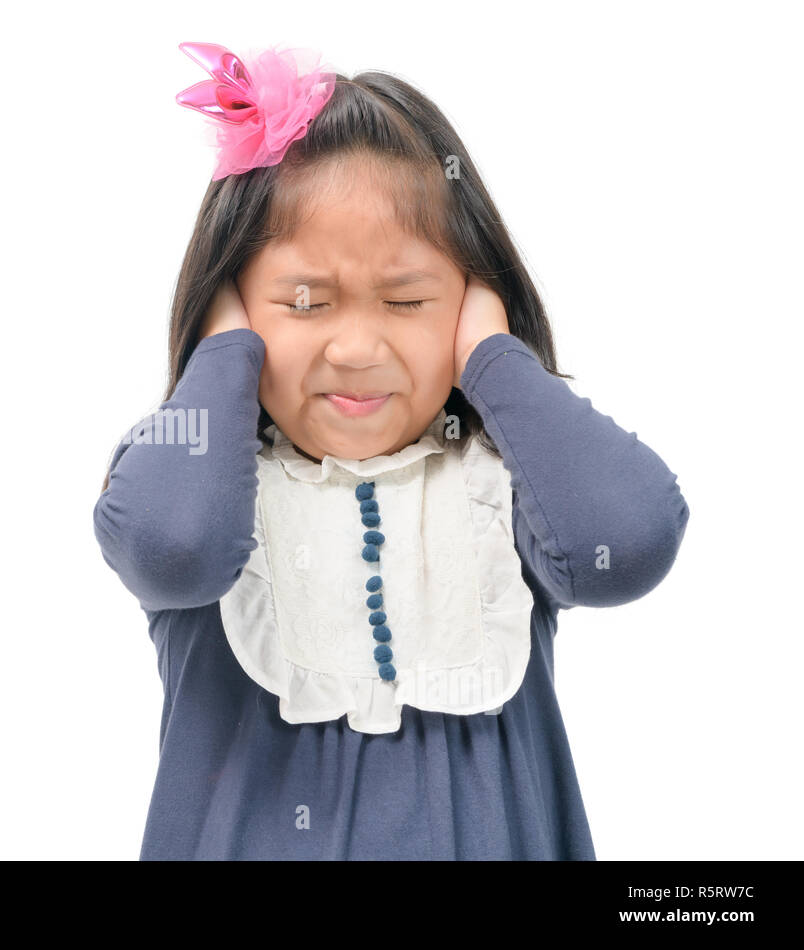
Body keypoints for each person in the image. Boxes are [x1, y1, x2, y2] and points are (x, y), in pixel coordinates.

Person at [92, 42, 690, 860]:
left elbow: (629, 542)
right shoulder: (200, 471)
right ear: (233, 301)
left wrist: (494, 358)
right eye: (304, 302)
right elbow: (176, 546)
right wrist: (224, 352)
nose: (356, 346)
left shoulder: (505, 486)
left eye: (407, 299)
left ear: (474, 299)